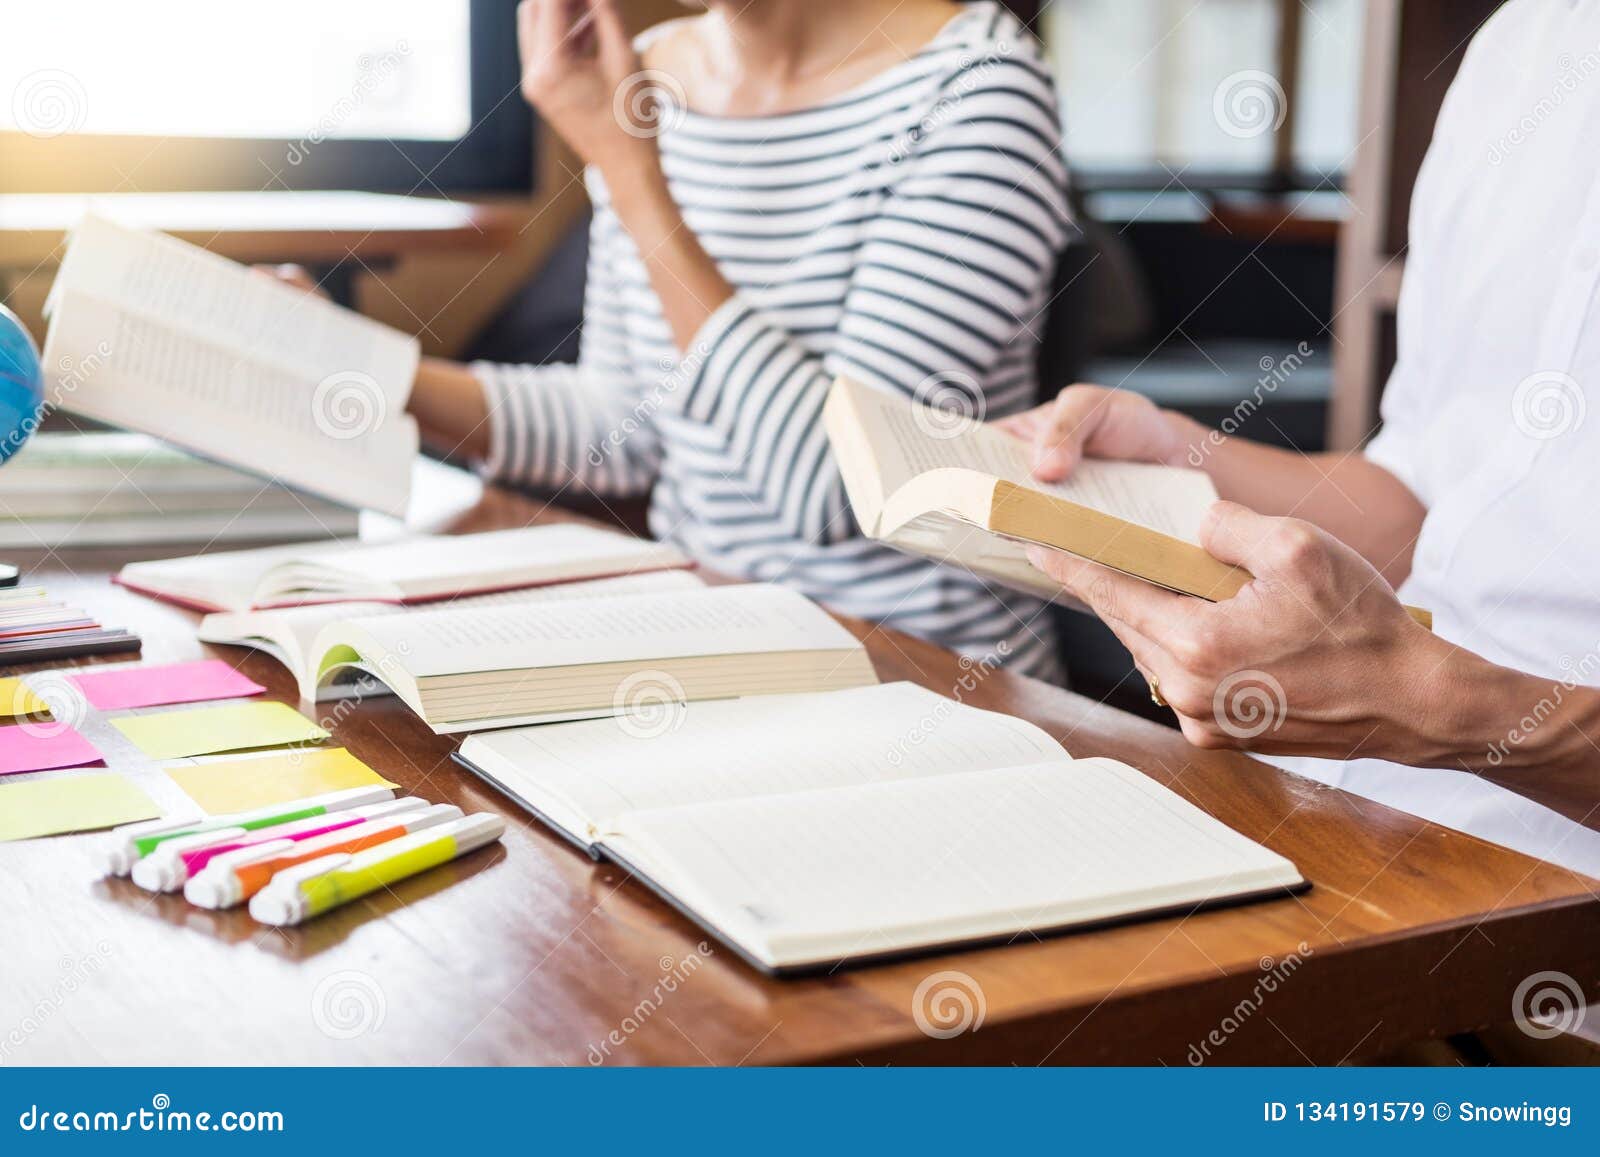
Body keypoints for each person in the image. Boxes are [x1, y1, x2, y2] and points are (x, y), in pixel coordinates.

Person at [270, 0, 1072, 677]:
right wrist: (364, 371)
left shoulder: (979, 93)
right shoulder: (646, 71)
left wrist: (630, 172)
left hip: (925, 676)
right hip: (717, 651)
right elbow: (624, 422)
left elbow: (837, 487)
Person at [1010, 0, 1600, 877]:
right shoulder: (1522, 47)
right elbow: (1425, 498)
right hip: (1329, 826)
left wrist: (1436, 706)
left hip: (1551, 938)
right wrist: (1180, 452)